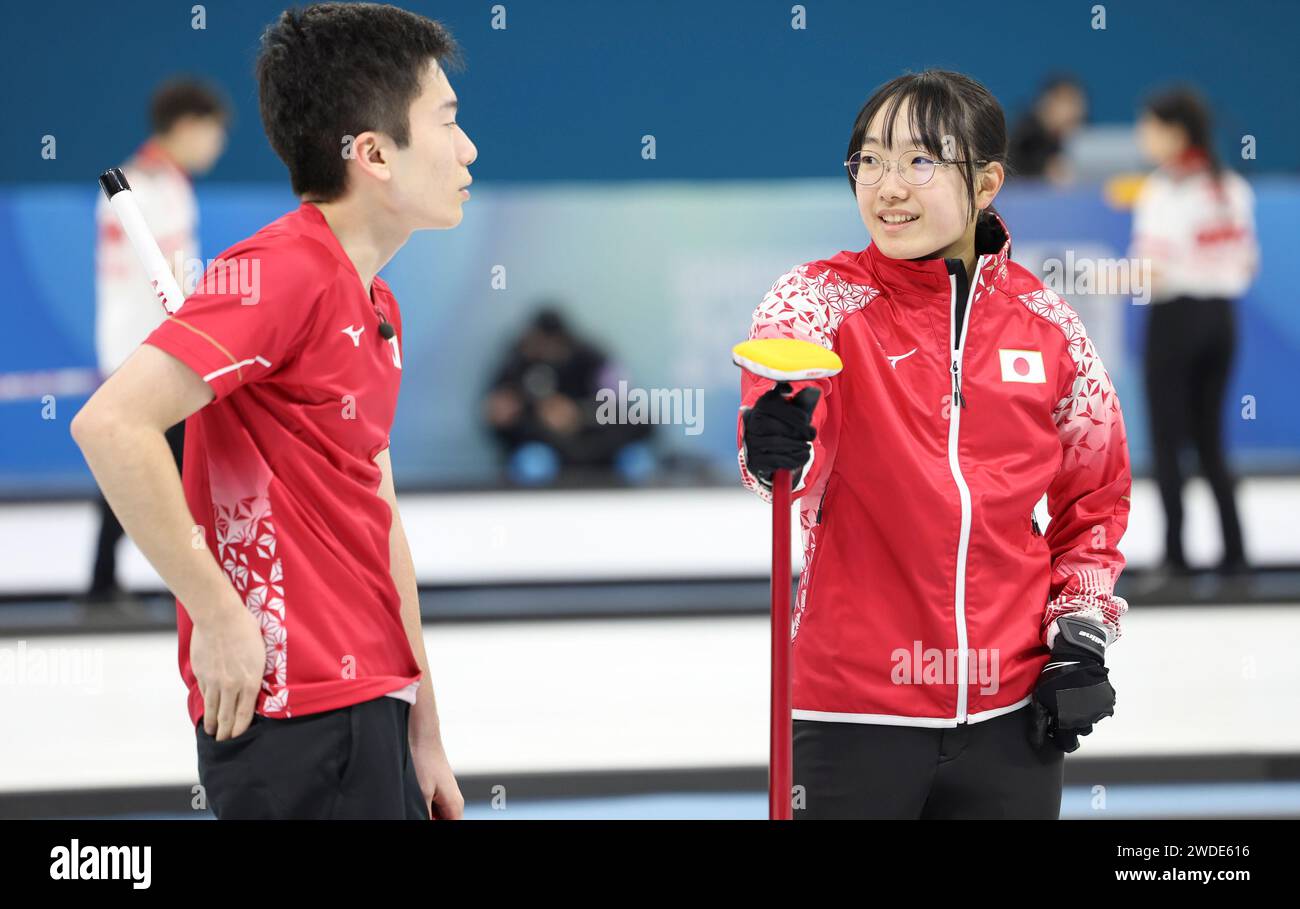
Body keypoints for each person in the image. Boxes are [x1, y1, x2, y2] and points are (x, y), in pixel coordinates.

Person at [71, 2, 476, 820]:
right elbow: (111, 425)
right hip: (291, 717)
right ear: (373, 154)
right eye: (449, 121)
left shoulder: (377, 300)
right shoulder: (278, 271)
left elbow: (379, 518)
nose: (467, 147)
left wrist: (423, 720)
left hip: (374, 704)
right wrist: (219, 615)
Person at [737, 70, 1131, 819]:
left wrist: (1079, 633)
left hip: (1013, 719)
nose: (888, 186)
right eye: (869, 160)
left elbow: (1096, 497)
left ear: (987, 181)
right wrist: (774, 447)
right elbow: (784, 468)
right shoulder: (813, 301)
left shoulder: (1050, 325)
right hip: (851, 710)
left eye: (920, 161)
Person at [86, 78, 229, 609]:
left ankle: (104, 582)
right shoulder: (155, 189)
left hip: (134, 349)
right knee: (174, 464)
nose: (217, 145)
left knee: (133, 460)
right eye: (214, 133)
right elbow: (170, 282)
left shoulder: (141, 182)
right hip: (155, 353)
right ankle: (201, 590)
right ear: (190, 125)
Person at [1132, 87, 1256, 579]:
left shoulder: (1164, 189)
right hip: (1222, 320)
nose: (1143, 136)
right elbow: (1247, 262)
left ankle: (1176, 558)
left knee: (1167, 441)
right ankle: (1235, 554)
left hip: (1175, 321)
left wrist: (1101, 277)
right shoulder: (1232, 188)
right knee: (1210, 439)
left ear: (1174, 132)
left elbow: (1152, 271)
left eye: (1149, 126)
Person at [483, 307, 653, 485]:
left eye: (553, 344)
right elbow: (498, 412)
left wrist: (579, 413)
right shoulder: (517, 363)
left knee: (637, 463)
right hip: (546, 448)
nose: (547, 351)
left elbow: (631, 412)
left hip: (599, 449)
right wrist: (533, 411)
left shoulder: (592, 359)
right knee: (532, 465)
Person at [1007, 74, 1086, 184]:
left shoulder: (1056, 140)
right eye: (1067, 102)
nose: (1076, 111)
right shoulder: (1023, 136)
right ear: (1048, 102)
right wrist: (1043, 170)